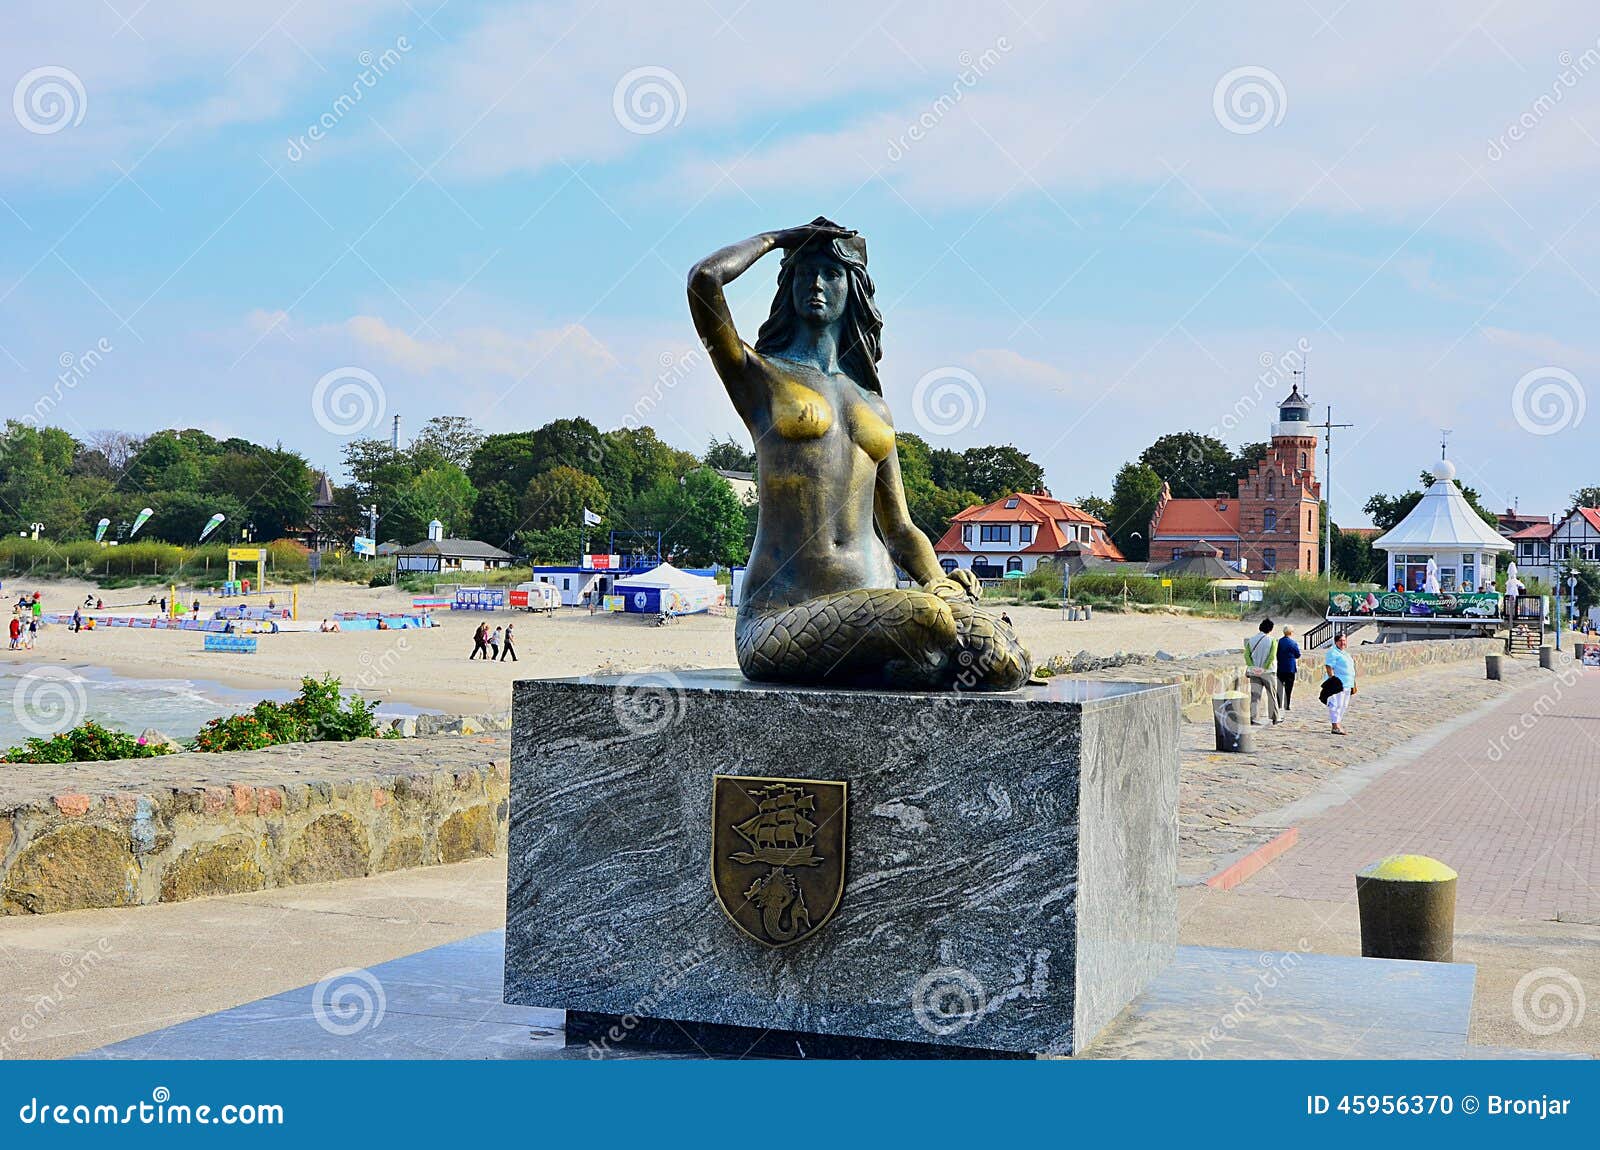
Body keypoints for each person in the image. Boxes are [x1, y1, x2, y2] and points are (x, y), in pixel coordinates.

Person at [690, 219, 1029, 688]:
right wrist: (779, 240)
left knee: (1000, 660)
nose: (815, 283)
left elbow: (901, 529)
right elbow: (704, 281)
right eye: (803, 271)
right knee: (927, 619)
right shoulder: (760, 378)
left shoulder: (873, 404)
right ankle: (913, 663)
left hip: (882, 600)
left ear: (854, 288)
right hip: (781, 619)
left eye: (831, 273)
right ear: (786, 285)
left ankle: (910, 661)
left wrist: (940, 582)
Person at [1242, 617, 1281, 725]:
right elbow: (1272, 656)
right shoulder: (1272, 640)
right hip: (1268, 672)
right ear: (1270, 629)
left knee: (1255, 696)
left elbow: (1246, 655)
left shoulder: (1251, 640)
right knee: (1272, 695)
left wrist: (1253, 667)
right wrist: (1264, 667)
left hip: (1254, 672)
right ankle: (1275, 717)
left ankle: (1254, 718)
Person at [1322, 631, 1357, 735]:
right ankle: (1335, 726)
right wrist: (1332, 681)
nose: (1343, 643)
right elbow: (1329, 667)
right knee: (1336, 704)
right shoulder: (1333, 652)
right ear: (1336, 642)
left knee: (1343, 705)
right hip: (1338, 683)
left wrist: (1353, 683)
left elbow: (1350, 669)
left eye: (1344, 640)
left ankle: (1338, 723)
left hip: (1347, 683)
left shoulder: (1345, 653)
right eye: (1340, 641)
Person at [1276, 625, 1301, 711]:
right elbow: (1298, 655)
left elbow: (1276, 653)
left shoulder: (1279, 642)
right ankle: (1287, 705)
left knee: (1279, 687)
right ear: (1291, 633)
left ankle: (1279, 704)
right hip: (1290, 668)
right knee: (1289, 688)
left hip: (1281, 667)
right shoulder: (1293, 643)